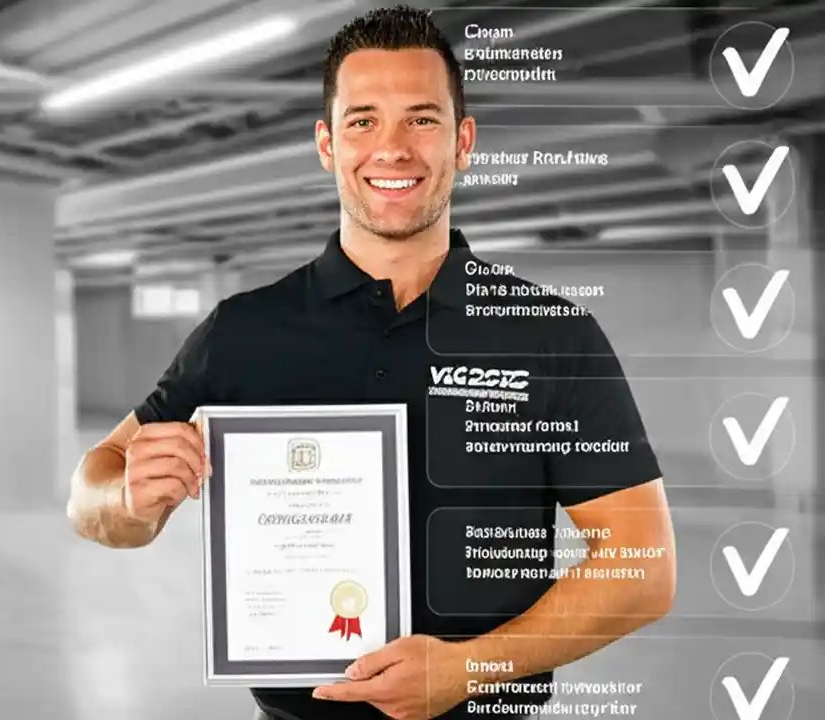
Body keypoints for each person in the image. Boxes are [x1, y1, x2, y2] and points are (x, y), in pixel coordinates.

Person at [66, 6, 676, 719]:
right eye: (362, 121)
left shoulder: (549, 336)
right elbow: (90, 493)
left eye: (422, 118)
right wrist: (130, 500)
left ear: (464, 140)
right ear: (327, 144)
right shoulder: (244, 329)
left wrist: (468, 669)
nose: (393, 149)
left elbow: (644, 568)